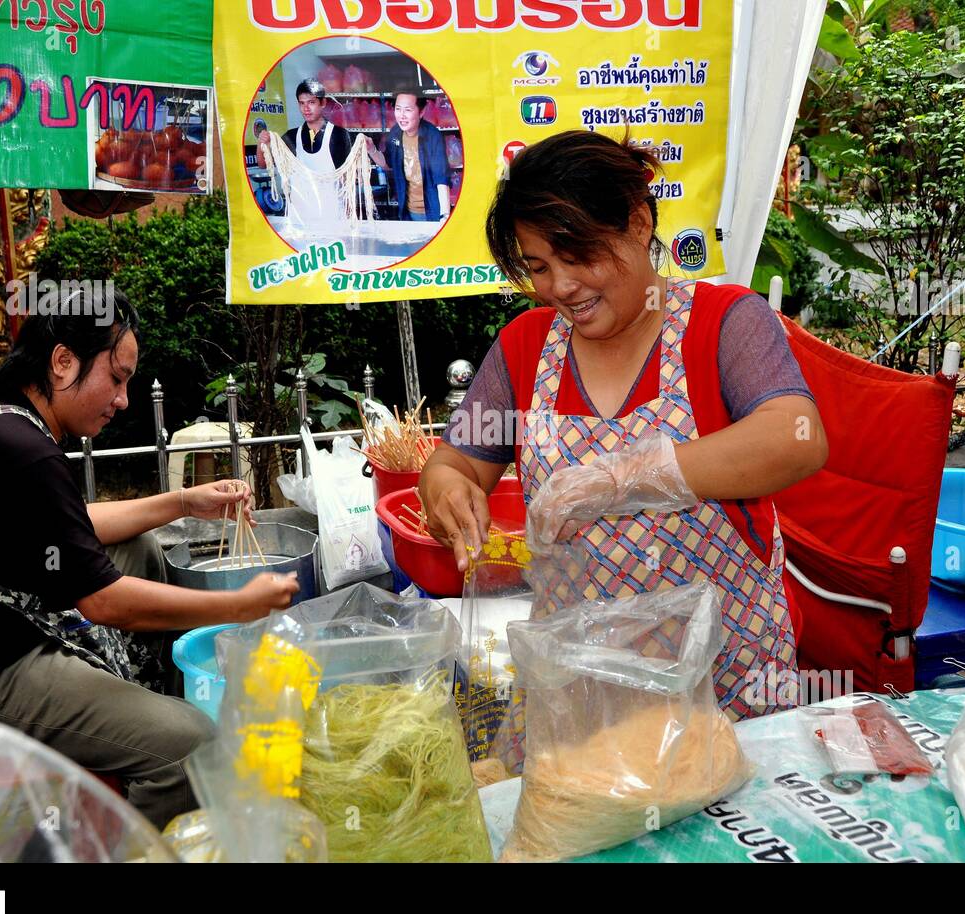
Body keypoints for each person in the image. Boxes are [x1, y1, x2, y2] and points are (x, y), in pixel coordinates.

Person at [419, 130, 828, 722]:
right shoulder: (526, 349)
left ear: (638, 224)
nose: (560, 286)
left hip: (725, 692)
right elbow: (454, 463)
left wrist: (631, 476)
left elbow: (797, 436)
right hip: (581, 697)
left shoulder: (723, 325)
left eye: (578, 255)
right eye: (539, 266)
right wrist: (447, 492)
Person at [0, 288, 300, 829]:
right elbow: (107, 602)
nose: (123, 400)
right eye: (116, 378)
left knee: (140, 548)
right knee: (192, 746)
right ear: (62, 362)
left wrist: (184, 503)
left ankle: (141, 703)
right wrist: (238, 604)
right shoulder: (24, 450)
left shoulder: (0, 425)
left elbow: (72, 529)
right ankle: (141, 808)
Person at [256, 79, 355, 226]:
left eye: (311, 102)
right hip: (300, 218)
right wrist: (261, 143)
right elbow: (263, 164)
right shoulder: (291, 136)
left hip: (333, 216)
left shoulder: (339, 135)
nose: (306, 108)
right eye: (302, 103)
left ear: (323, 103)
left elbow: (349, 181)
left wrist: (349, 216)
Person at [362, 91, 451, 223]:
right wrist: (371, 149)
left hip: (432, 212)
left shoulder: (433, 136)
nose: (402, 116)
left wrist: (444, 215)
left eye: (408, 110)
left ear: (421, 112)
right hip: (407, 212)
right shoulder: (395, 134)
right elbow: (387, 164)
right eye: (398, 109)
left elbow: (441, 178)